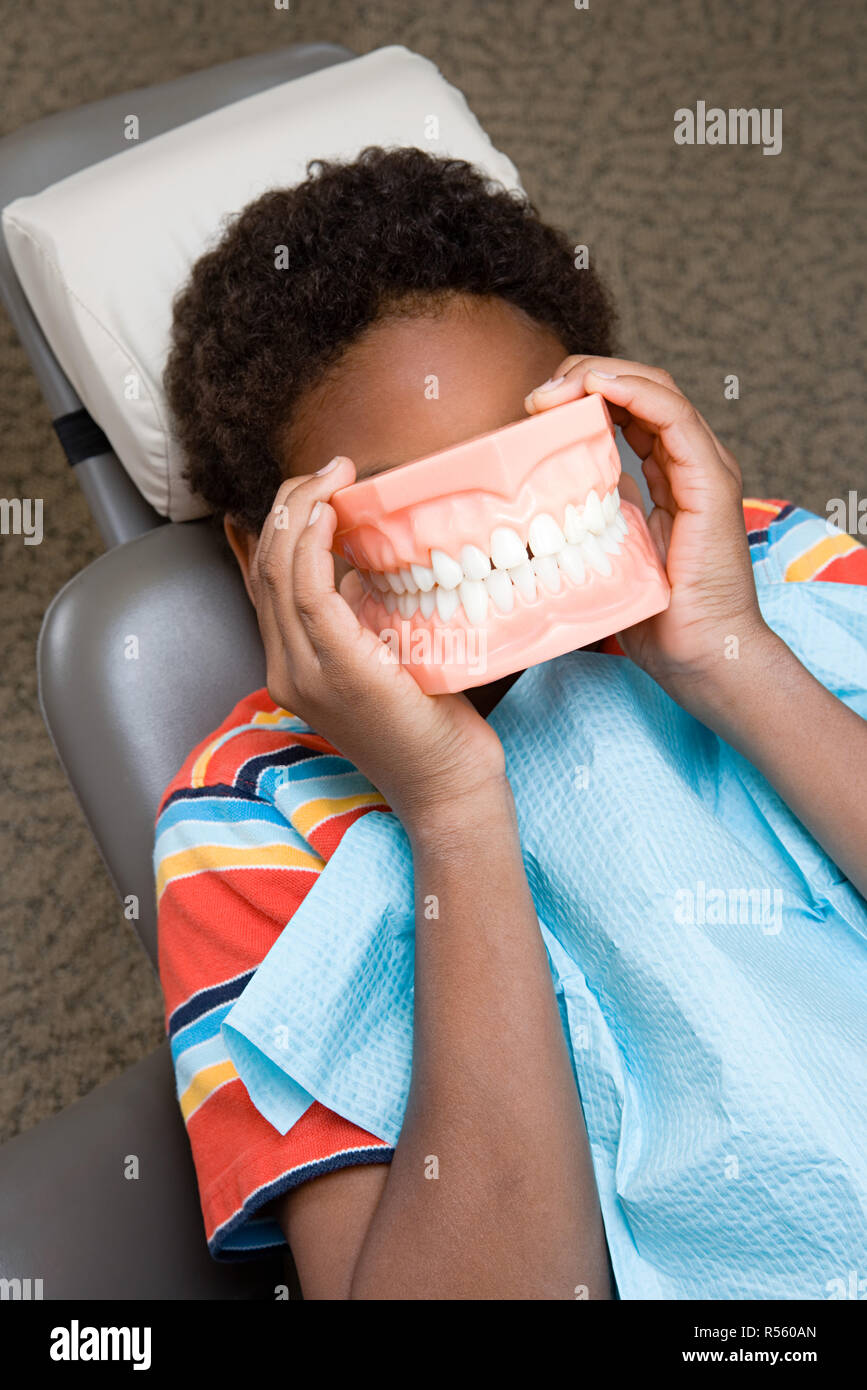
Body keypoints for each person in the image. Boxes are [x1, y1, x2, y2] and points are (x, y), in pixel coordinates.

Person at [155, 146, 867, 1300]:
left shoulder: (766, 556)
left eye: (526, 452)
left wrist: (736, 659)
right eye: (399, 491)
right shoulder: (249, 816)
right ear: (262, 552)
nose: (487, 518)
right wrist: (450, 810)